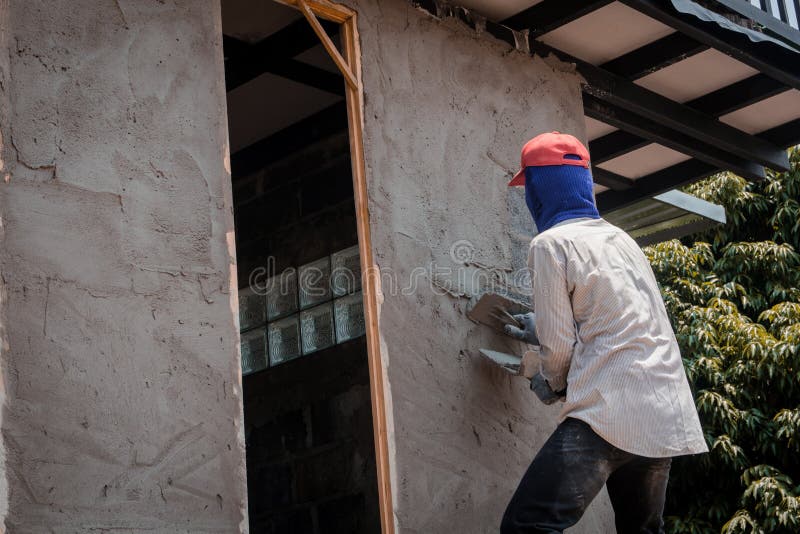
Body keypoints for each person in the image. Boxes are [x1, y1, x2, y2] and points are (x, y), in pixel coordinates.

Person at [500, 132, 708, 534]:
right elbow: (620, 317)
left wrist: (553, 384)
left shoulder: (549, 244)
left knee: (528, 524)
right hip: (662, 415)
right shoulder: (622, 240)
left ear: (540, 189)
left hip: (608, 413)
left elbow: (559, 347)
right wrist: (540, 329)